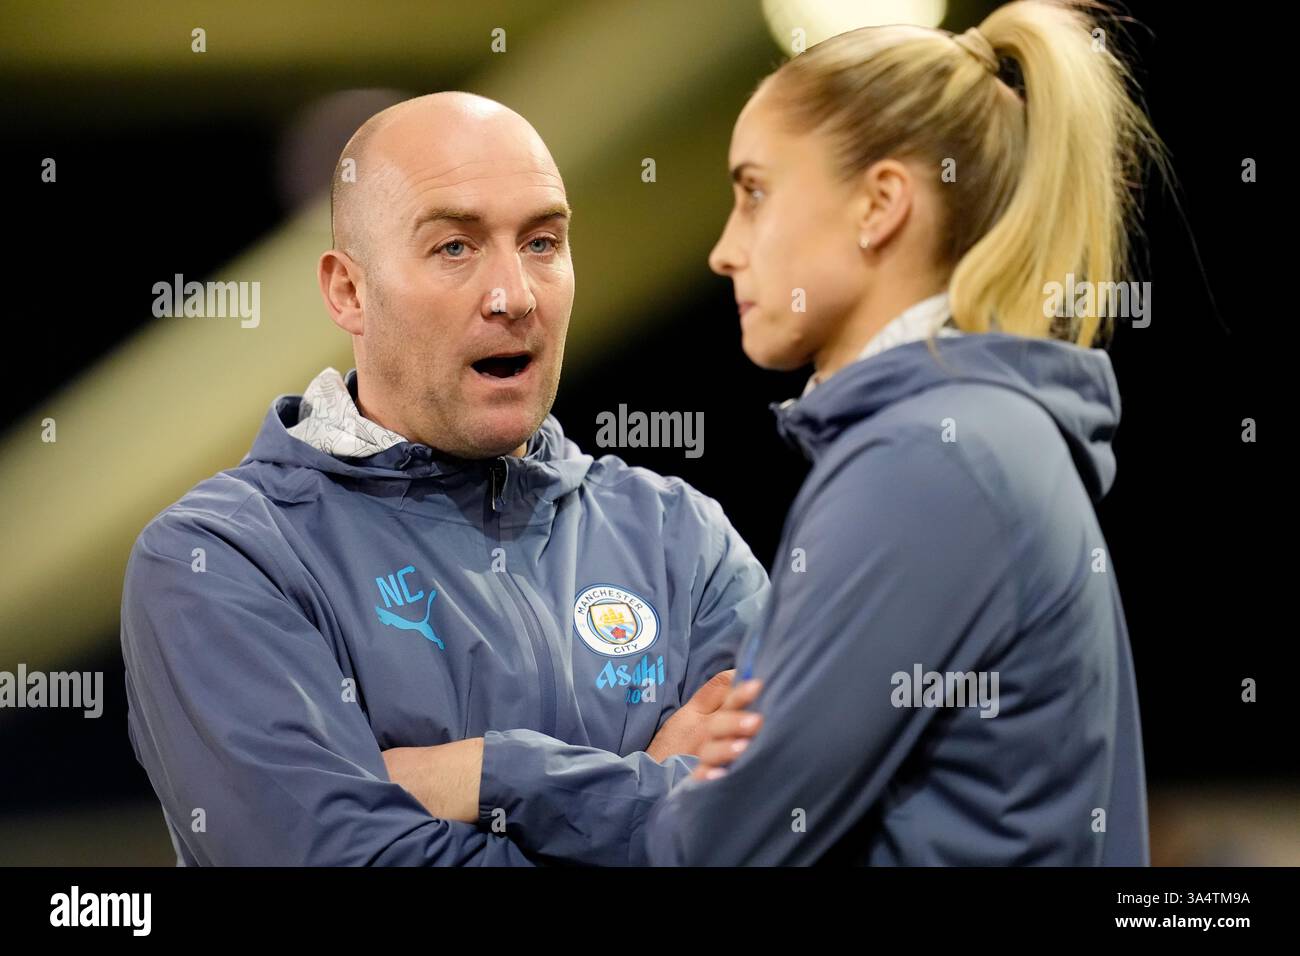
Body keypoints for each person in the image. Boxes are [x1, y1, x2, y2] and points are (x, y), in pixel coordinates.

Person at [482, 0, 1164, 866]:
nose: (724, 250)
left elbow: (720, 847)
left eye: (755, 192)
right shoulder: (976, 434)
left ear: (880, 204)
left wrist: (494, 771)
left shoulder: (925, 461)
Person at [119, 92, 768, 866]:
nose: (514, 296)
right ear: (348, 292)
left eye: (542, 241)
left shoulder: (680, 540)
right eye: (455, 247)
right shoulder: (220, 560)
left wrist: (489, 774)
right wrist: (654, 797)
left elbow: (787, 824)